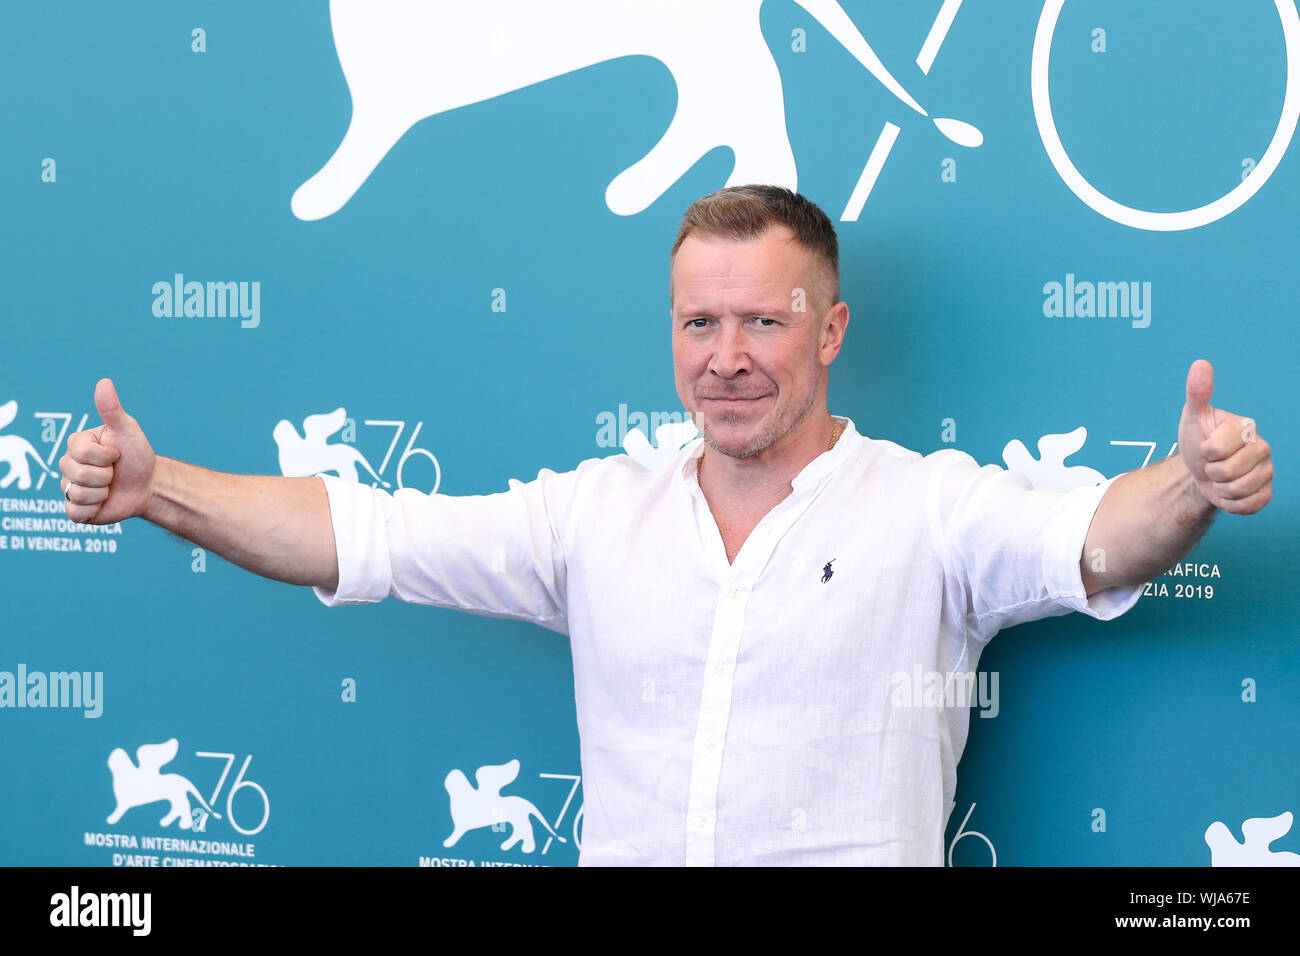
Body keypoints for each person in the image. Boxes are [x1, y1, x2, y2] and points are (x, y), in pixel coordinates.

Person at [59, 186, 1273, 866]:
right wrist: (159, 487)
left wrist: (1188, 481)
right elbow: (364, 531)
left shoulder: (933, 505)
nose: (728, 359)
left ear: (832, 331)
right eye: (700, 324)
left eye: (763, 322)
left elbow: (1096, 541)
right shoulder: (594, 511)